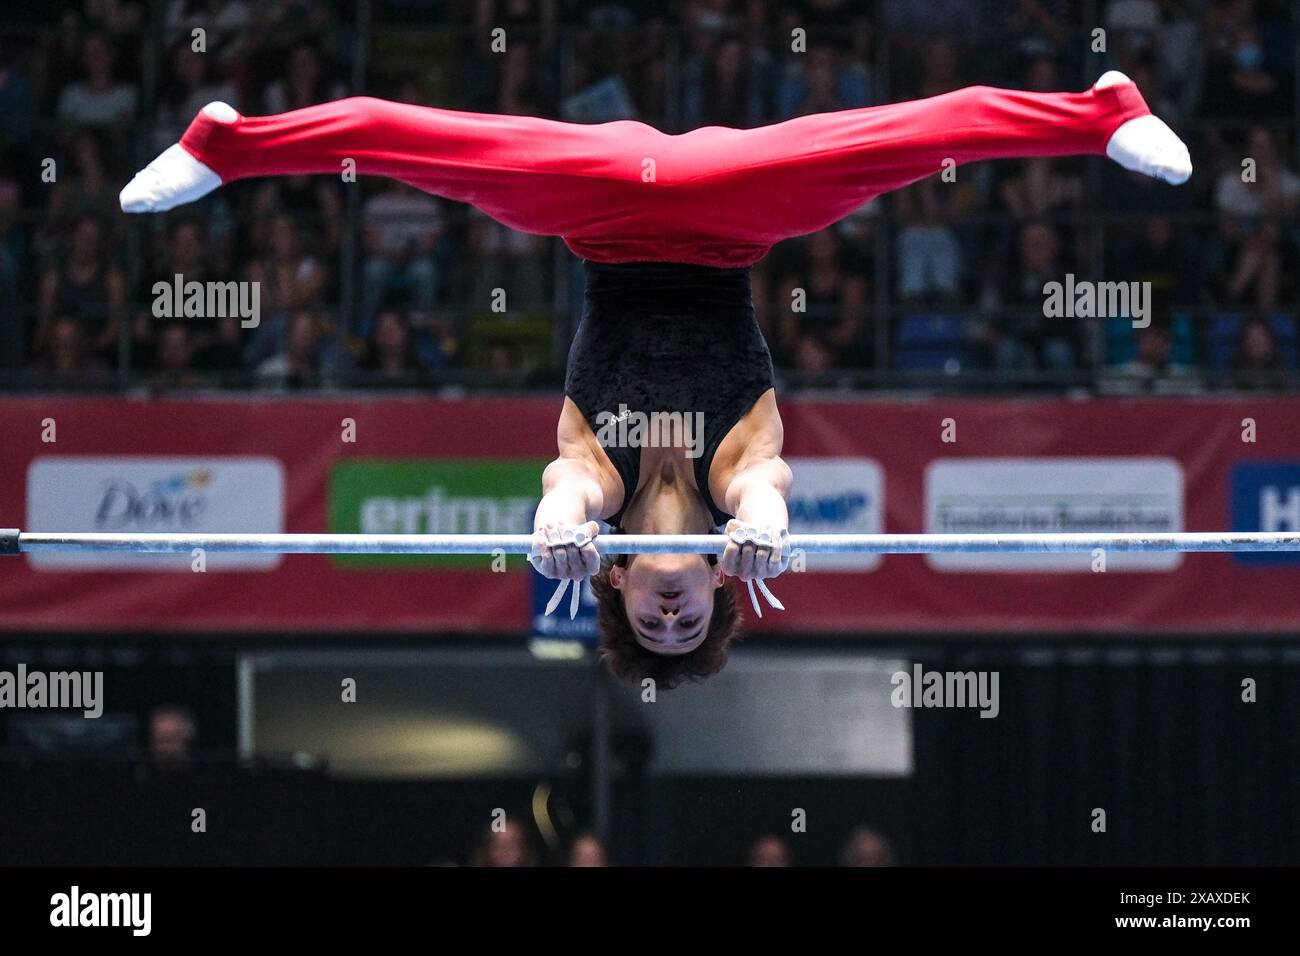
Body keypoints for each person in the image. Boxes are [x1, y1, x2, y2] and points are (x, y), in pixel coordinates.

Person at [120, 72, 1191, 687]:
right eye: (690, 620)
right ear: (721, 586)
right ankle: (1101, 111)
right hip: (733, 220)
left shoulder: (593, 480)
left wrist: (553, 526)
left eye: (652, 618)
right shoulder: (743, 486)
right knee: (898, 143)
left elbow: (562, 491)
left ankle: (229, 142)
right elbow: (766, 487)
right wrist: (761, 517)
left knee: (423, 147)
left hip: (598, 219)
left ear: (618, 585)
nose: (671, 610)